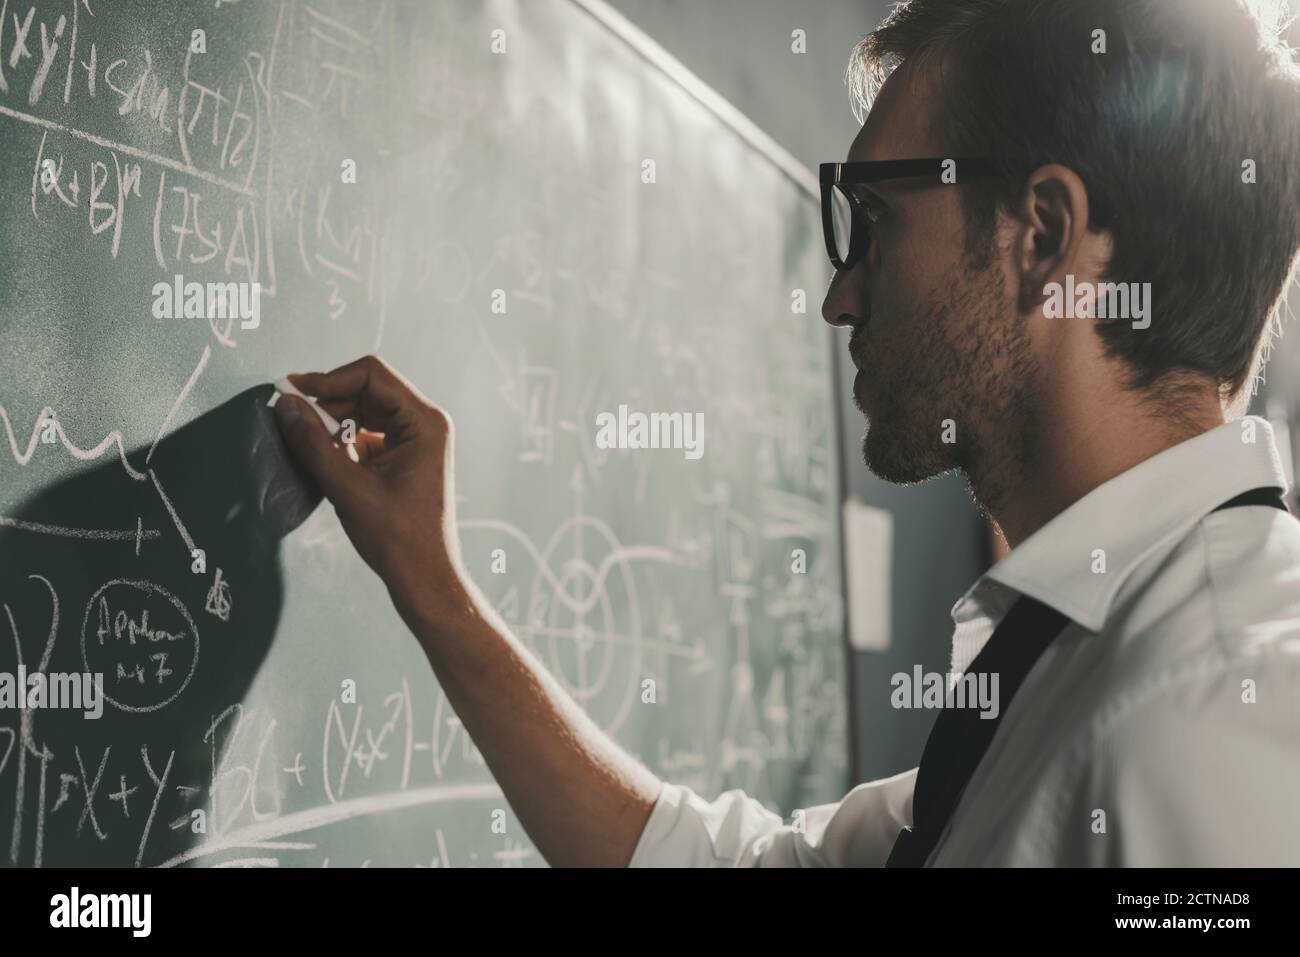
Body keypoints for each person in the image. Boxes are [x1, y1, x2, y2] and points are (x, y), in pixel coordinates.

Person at [274, 0, 1300, 866]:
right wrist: (431, 582)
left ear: (1041, 235)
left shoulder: (1210, 713)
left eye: (876, 223)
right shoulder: (1084, 655)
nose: (840, 299)